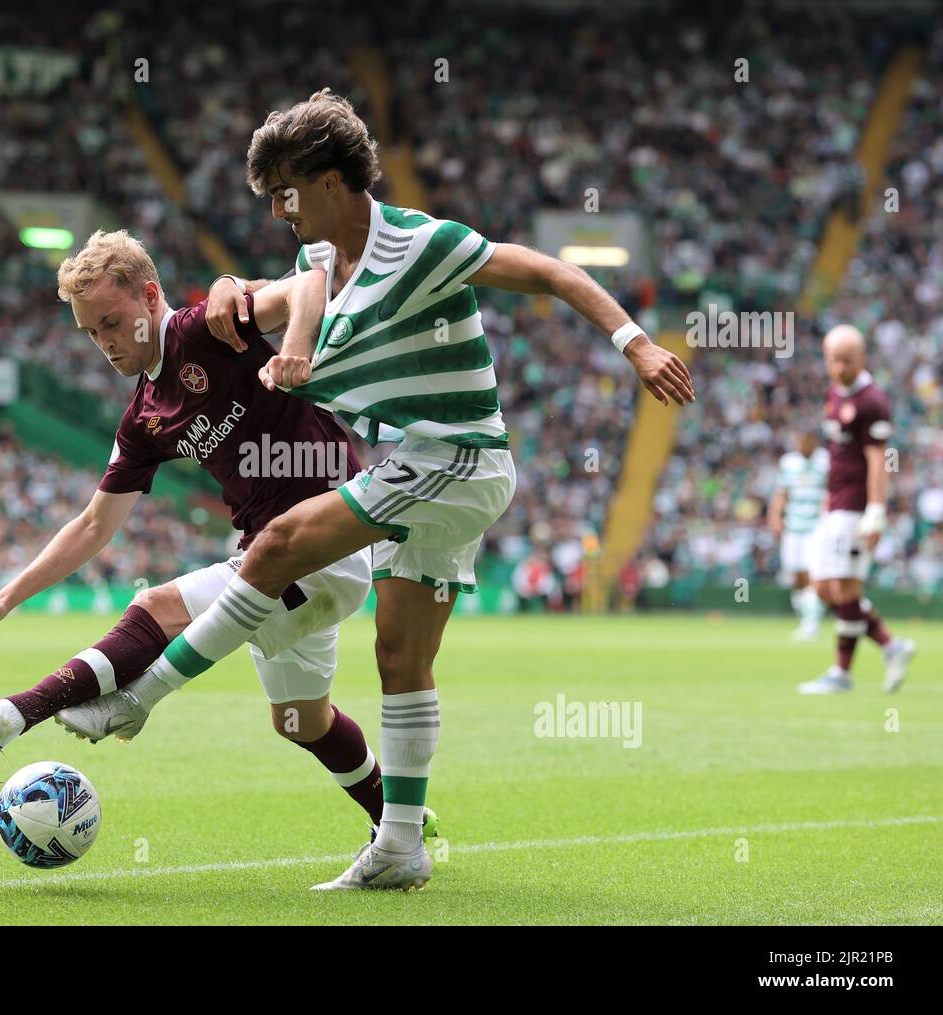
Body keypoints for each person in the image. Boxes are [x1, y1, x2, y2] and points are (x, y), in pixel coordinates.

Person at [62, 90, 694, 891]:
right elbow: (252, 300)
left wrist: (635, 344)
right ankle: (400, 846)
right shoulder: (319, 263)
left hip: (457, 457)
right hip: (420, 466)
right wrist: (228, 287)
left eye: (284, 193)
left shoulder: (420, 242)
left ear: (330, 181)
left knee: (282, 543)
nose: (277, 211)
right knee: (399, 659)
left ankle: (139, 699)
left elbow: (551, 270)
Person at [0, 229, 426, 837]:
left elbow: (312, 282)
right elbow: (94, 524)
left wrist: (288, 345)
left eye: (110, 321)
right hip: (275, 559)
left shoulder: (203, 328)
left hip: (320, 541)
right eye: (90, 332)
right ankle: (402, 825)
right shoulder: (144, 416)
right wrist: (5, 599)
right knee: (300, 720)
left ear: (149, 295)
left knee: (157, 606)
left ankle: (3, 719)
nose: (104, 342)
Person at [798, 325, 915, 694]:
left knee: (844, 587)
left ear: (862, 358)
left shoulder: (871, 400)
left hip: (854, 509)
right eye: (834, 359)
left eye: (847, 359)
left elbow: (878, 460)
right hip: (833, 505)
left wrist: (876, 511)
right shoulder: (834, 393)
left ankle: (841, 672)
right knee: (821, 587)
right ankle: (891, 645)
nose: (840, 366)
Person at [767, 431, 828, 641]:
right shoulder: (789, 462)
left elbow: (832, 492)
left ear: (814, 440)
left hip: (816, 528)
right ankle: (805, 618)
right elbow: (781, 492)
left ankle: (812, 624)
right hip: (793, 527)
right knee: (796, 573)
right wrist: (775, 516)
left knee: (811, 573)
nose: (802, 444)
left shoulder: (825, 461)